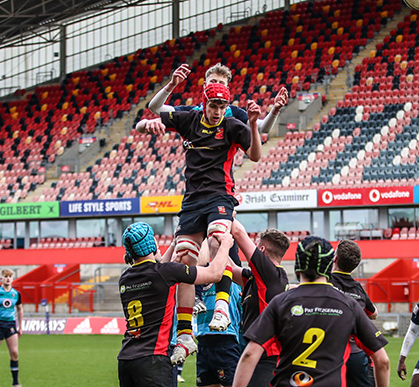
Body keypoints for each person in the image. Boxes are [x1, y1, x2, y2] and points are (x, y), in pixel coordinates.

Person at [136, 82, 261, 364]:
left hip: (220, 195)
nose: (217, 111)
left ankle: (221, 307)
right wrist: (148, 126)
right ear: (204, 103)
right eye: (213, 106)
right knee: (184, 259)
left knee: (218, 239)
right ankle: (184, 335)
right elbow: (146, 119)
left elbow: (255, 155)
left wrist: (252, 124)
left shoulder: (230, 125)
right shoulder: (189, 119)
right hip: (192, 201)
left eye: (222, 107)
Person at [233, 236, 390, 387]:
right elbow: (382, 361)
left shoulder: (280, 302)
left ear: (297, 266)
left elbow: (250, 354)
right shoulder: (348, 304)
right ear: (329, 266)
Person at [117, 221, 234, 387]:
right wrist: (225, 245)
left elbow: (158, 269)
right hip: (154, 360)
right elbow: (214, 273)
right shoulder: (166, 272)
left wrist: (174, 244)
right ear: (151, 244)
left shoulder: (126, 277)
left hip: (127, 360)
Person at [228, 220, 291, 387]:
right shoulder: (258, 279)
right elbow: (228, 268)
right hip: (257, 355)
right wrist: (215, 243)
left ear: (262, 250)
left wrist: (223, 208)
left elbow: (239, 232)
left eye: (257, 246)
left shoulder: (269, 274)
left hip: (265, 358)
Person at [147, 62, 288, 137]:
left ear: (227, 88)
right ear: (204, 86)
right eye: (213, 81)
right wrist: (172, 84)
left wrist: (275, 109)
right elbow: (155, 108)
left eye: (221, 83)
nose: (216, 86)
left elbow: (262, 128)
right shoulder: (192, 113)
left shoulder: (233, 113)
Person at [330, 240, 378, 387]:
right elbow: (374, 313)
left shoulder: (324, 282)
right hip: (357, 353)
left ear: (335, 258)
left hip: (330, 352)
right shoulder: (358, 288)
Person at [194, 279, 244, 387]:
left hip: (225, 336)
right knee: (207, 383)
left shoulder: (233, 281)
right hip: (203, 339)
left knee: (232, 383)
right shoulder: (203, 275)